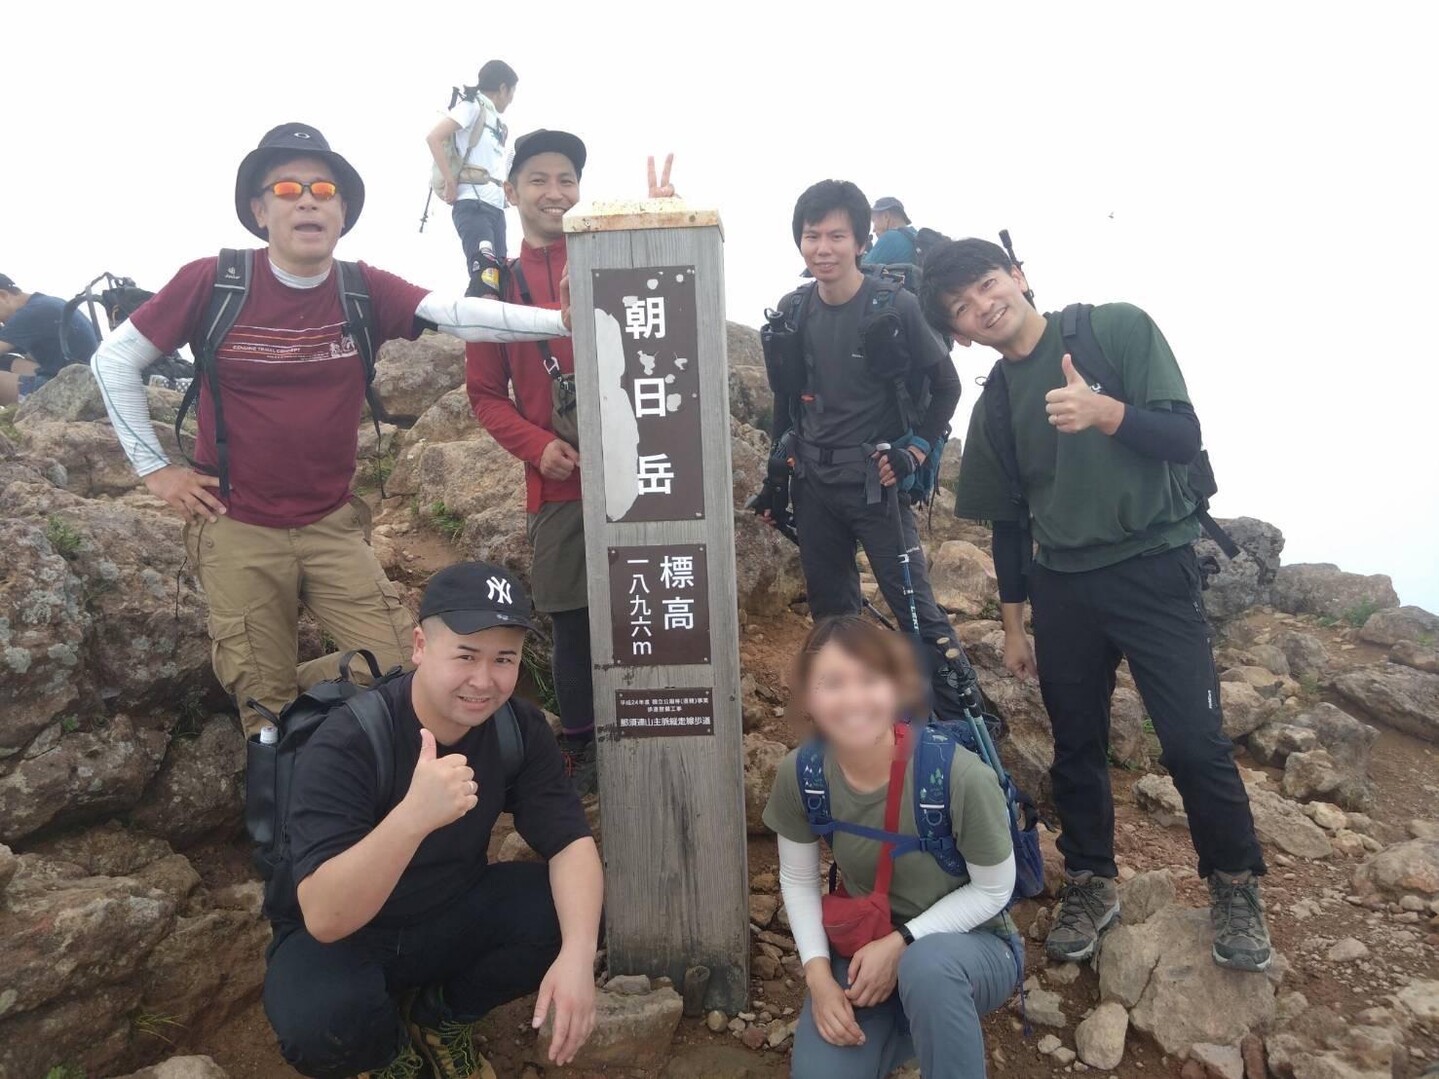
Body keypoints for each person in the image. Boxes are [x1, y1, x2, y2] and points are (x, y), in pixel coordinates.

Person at [91, 122, 570, 737]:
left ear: (343, 212)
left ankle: (287, 686)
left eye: (323, 189)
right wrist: (156, 470)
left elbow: (457, 315)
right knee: (266, 721)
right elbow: (114, 359)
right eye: (287, 188)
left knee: (402, 667)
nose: (307, 200)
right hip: (236, 526)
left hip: (331, 525)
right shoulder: (215, 281)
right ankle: (273, 736)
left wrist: (559, 321)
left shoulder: (361, 287)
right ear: (259, 210)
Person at [924, 237, 1272, 972]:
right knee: (1075, 744)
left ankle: (1235, 883)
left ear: (1016, 276)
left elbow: (1182, 435)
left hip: (1153, 565)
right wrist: (1013, 626)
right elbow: (1009, 524)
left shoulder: (1115, 328)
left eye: (986, 284)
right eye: (960, 307)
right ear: (960, 334)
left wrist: (1105, 412)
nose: (982, 306)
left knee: (1193, 742)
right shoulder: (995, 405)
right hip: (1063, 587)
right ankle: (1090, 878)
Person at [263, 561, 603, 1079]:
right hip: (346, 936)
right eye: (465, 655)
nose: (483, 681)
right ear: (420, 646)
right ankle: (387, 1055)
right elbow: (326, 917)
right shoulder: (348, 741)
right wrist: (411, 819)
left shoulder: (516, 728)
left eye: (504, 659)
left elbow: (570, 842)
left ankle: (441, 1016)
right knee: (319, 1021)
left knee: (574, 915)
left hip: (450, 908)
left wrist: (579, 957)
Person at [466, 133, 676, 796]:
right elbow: (483, 392)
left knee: (649, 602)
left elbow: (668, 320)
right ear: (511, 192)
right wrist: (535, 446)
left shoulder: (612, 258)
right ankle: (583, 743)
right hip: (558, 482)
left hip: (642, 469)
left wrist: (662, 229)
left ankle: (658, 725)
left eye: (565, 179)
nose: (554, 192)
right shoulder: (494, 286)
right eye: (538, 179)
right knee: (571, 618)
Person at [764, 616, 1022, 1079]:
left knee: (929, 969)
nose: (853, 699)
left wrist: (902, 942)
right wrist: (819, 979)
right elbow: (798, 879)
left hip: (971, 948)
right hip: (865, 947)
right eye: (832, 683)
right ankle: (914, 1027)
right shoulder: (803, 775)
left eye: (869, 680)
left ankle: (931, 1020)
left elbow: (993, 891)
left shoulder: (958, 777)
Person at [759, 179, 976, 713]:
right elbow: (786, 400)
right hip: (815, 487)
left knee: (916, 611)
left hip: (875, 484)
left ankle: (964, 726)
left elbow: (947, 387)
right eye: (812, 236)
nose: (823, 248)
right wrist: (776, 476)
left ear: (861, 242)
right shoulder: (793, 310)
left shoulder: (894, 307)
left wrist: (914, 452)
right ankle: (850, 721)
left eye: (837, 236)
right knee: (832, 616)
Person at [426, 60, 519, 298]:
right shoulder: (472, 106)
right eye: (511, 92)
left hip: (495, 206)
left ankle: (474, 316)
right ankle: (469, 318)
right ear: (503, 88)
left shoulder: (496, 120)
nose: (511, 99)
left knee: (502, 278)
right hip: (473, 203)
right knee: (486, 276)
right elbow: (434, 137)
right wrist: (450, 181)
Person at [0, 273, 99, 404]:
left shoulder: (28, 314)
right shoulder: (43, 303)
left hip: (71, 392)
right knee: (4, 362)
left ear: (3, 295)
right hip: (82, 381)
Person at [862, 197, 917, 268]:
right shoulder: (915, 236)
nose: (873, 230)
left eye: (874, 220)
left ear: (886, 216)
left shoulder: (891, 237)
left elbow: (860, 270)